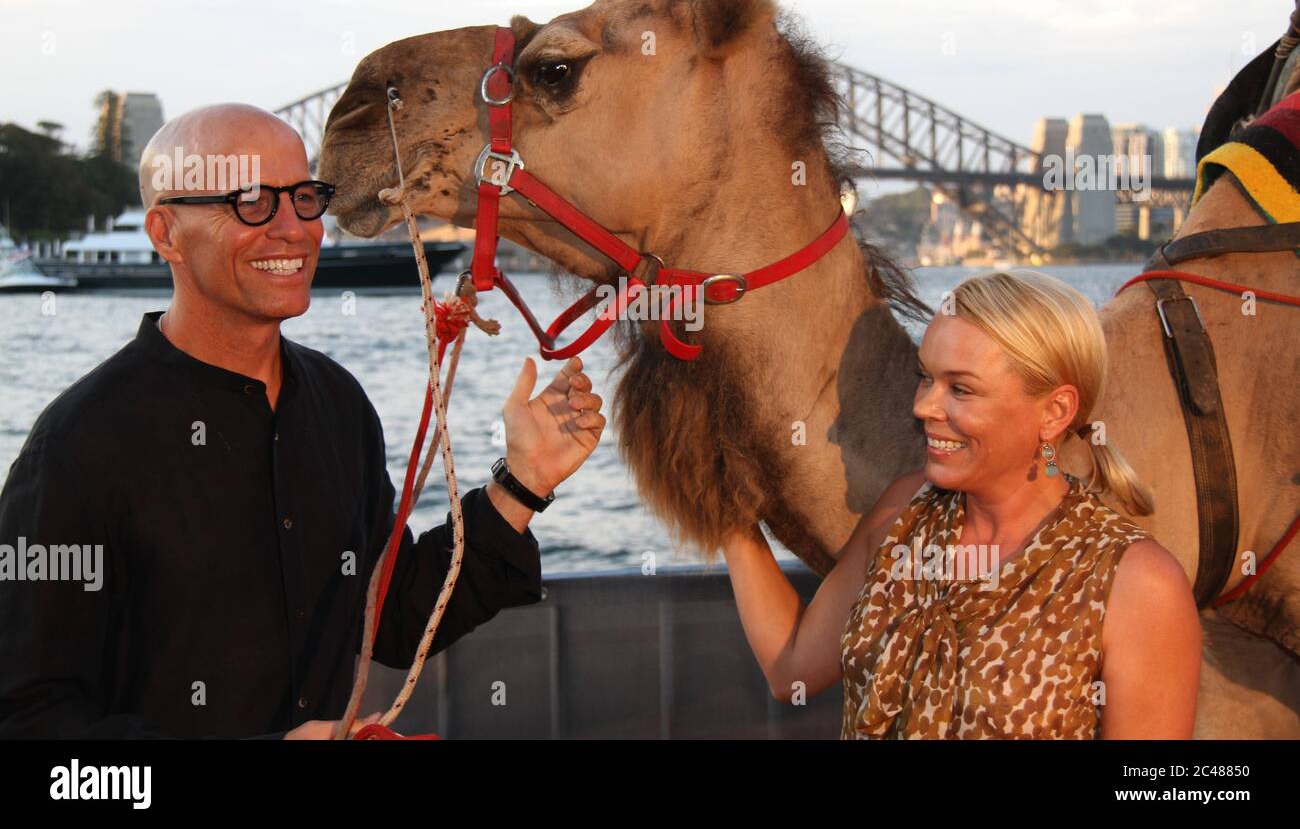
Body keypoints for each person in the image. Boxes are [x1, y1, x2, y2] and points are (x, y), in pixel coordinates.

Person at [0, 104, 607, 739]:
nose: (295, 229)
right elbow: (32, 723)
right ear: (166, 232)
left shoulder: (336, 403)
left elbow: (393, 613)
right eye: (253, 202)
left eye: (305, 197)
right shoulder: (78, 448)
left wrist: (521, 484)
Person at [722, 270, 1201, 738]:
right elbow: (792, 671)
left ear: (1054, 412)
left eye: (961, 389)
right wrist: (721, 508)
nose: (924, 407)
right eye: (925, 378)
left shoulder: (1135, 582)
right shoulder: (902, 514)